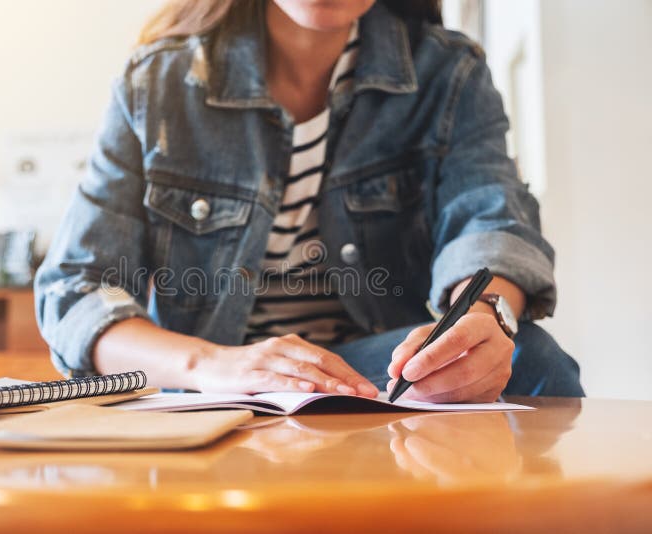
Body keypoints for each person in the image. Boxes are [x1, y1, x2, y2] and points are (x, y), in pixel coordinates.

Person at [35, 0, 584, 402]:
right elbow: (78, 290)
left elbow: (490, 219)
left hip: (374, 378)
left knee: (530, 356)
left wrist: (485, 317)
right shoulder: (156, 84)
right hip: (213, 389)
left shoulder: (450, 74)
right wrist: (212, 365)